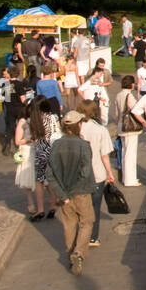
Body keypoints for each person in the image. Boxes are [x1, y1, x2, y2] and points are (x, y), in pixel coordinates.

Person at [48, 110, 95, 275]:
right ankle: (79, 253)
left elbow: (50, 174)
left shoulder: (55, 145)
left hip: (63, 194)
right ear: (79, 126)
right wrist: (73, 192)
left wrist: (63, 195)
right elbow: (86, 172)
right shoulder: (83, 146)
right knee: (87, 222)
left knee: (69, 224)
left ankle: (71, 255)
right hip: (81, 192)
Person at [77, 99, 115, 248]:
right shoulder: (100, 130)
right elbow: (104, 155)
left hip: (79, 174)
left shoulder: (76, 128)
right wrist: (110, 173)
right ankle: (92, 237)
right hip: (97, 173)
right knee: (95, 206)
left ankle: (81, 234)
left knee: (81, 206)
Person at [31, 97, 62, 220]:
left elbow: (34, 137)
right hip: (52, 150)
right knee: (51, 180)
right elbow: (58, 131)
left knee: (39, 181)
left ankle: (40, 210)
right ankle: (53, 206)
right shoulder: (53, 117)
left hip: (40, 152)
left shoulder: (34, 120)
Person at [13, 99, 40, 218]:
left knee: (40, 178)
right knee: (28, 179)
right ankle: (31, 203)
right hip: (26, 150)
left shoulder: (36, 120)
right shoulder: (22, 122)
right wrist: (28, 140)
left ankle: (42, 204)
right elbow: (17, 141)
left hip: (36, 150)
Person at [114, 75, 143, 187]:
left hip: (121, 125)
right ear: (131, 84)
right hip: (130, 127)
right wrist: (144, 122)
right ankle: (130, 179)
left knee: (124, 152)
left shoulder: (118, 95)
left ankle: (126, 178)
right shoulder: (129, 96)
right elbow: (136, 110)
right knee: (130, 153)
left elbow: (117, 113)